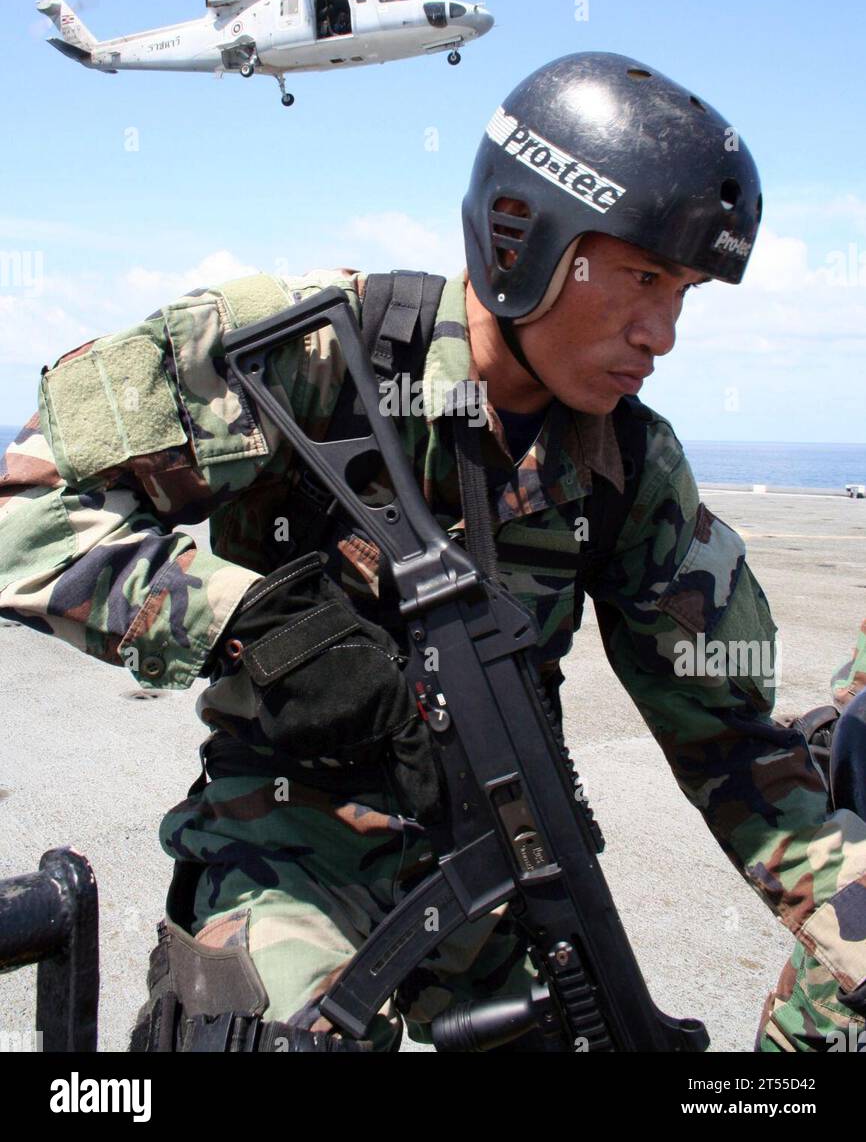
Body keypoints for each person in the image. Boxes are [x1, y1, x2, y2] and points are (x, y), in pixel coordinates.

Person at [1, 51, 864, 1053]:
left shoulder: (629, 463)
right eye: (640, 279)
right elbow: (22, 510)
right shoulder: (319, 353)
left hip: (502, 870)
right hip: (293, 842)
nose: (661, 332)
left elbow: (731, 748)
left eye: (682, 294)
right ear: (525, 238)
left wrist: (849, 919)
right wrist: (247, 626)